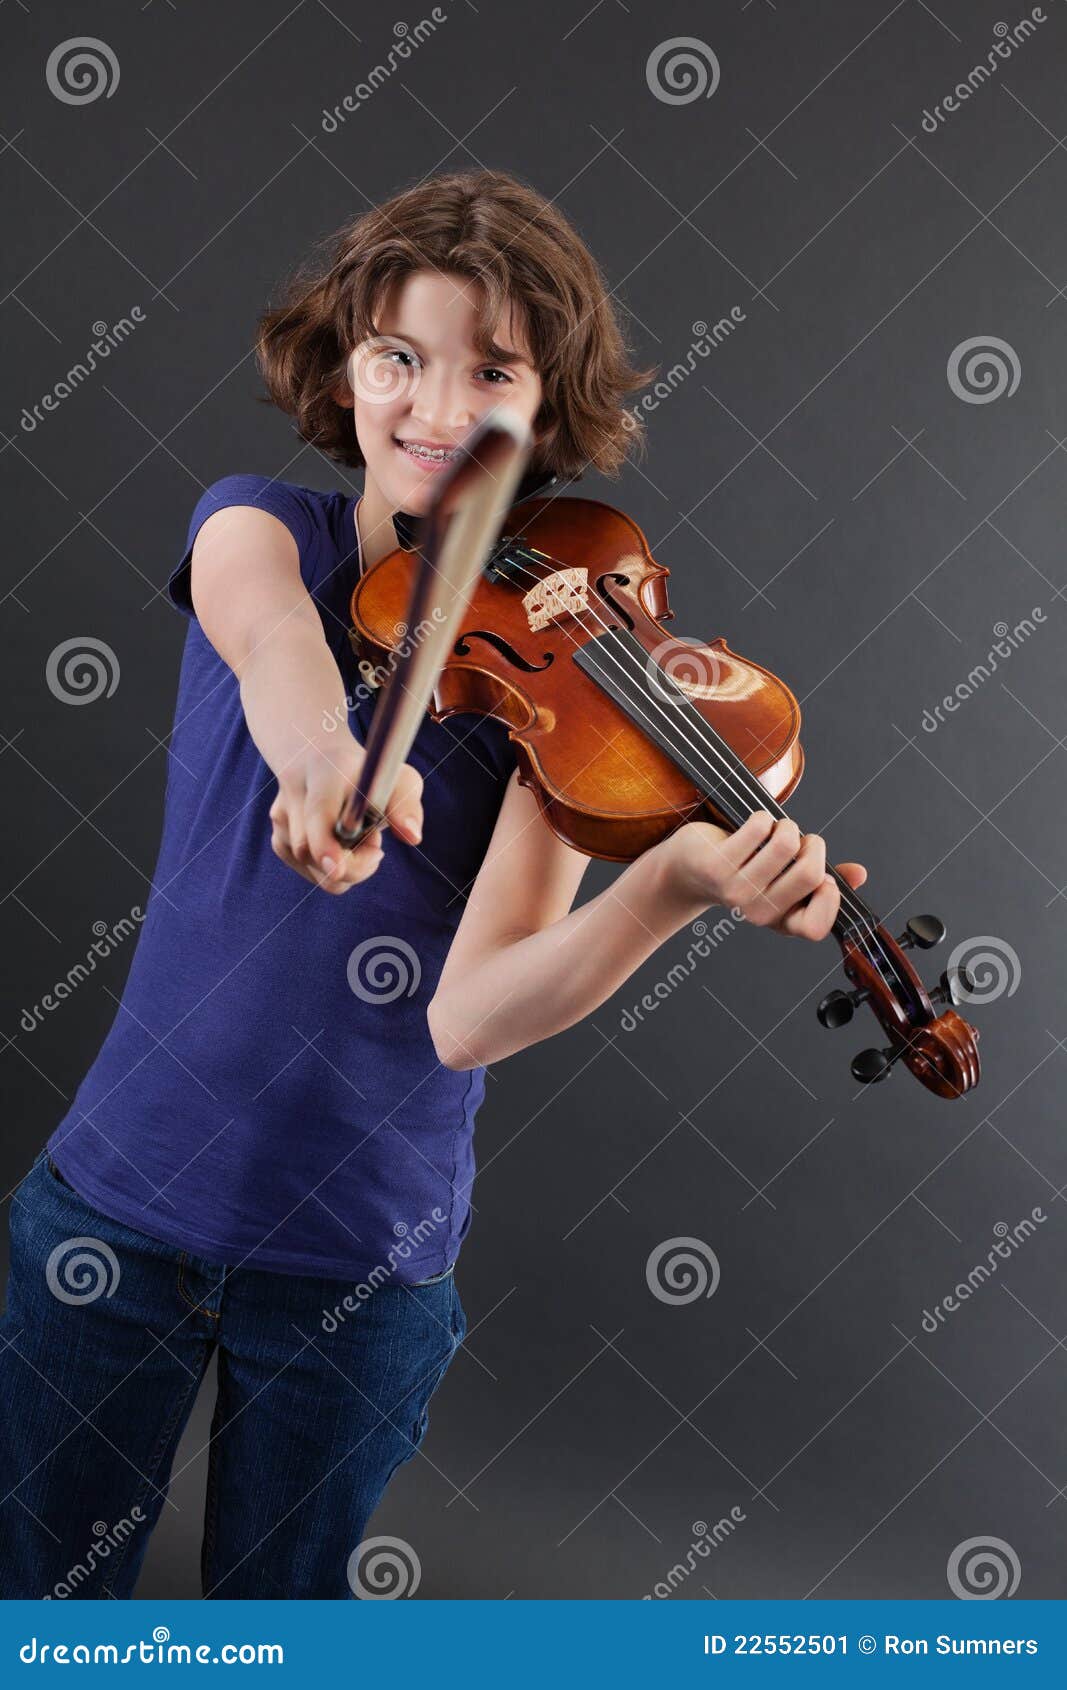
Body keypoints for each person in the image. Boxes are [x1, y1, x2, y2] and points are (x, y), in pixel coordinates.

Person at [0, 169, 866, 1599]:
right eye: (400, 355)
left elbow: (468, 1017)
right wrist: (322, 757)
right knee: (43, 1610)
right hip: (114, 1217)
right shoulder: (254, 527)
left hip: (356, 1274)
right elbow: (275, 643)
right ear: (346, 365)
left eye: (494, 373)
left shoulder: (563, 691)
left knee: (287, 1634)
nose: (437, 408)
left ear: (552, 404)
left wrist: (666, 892)